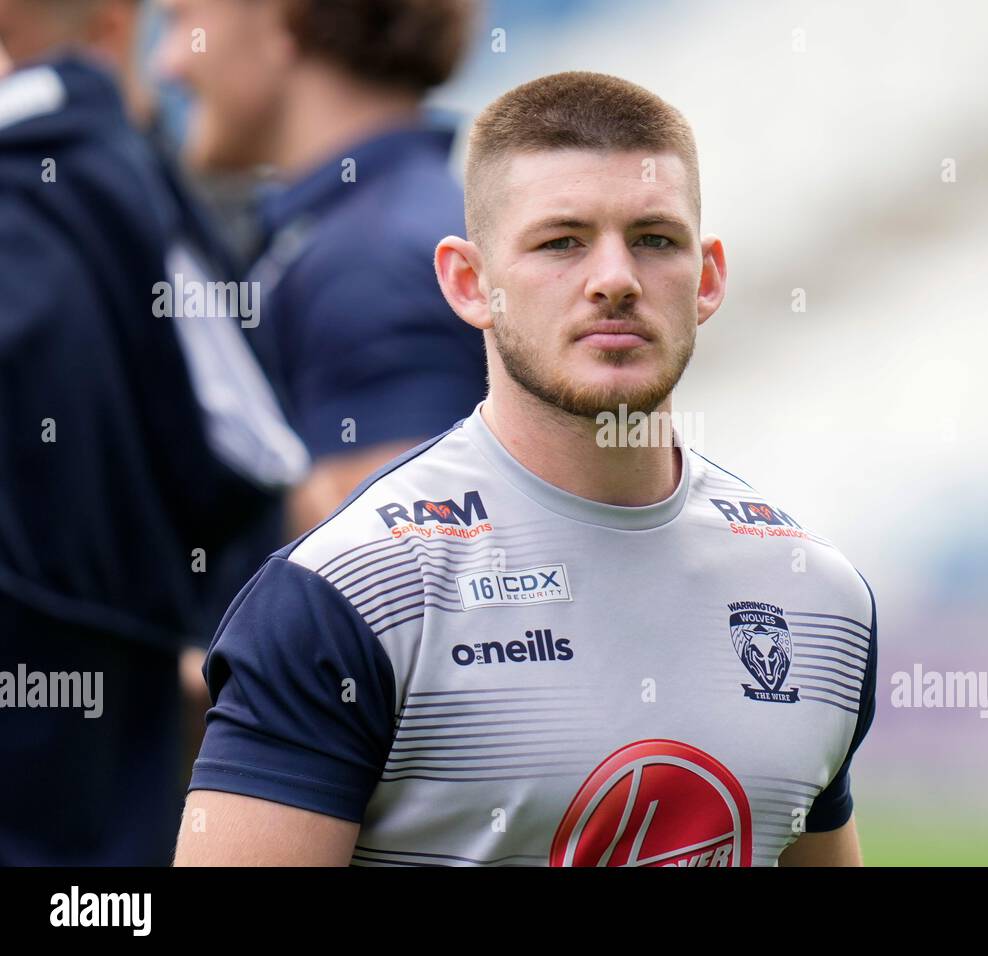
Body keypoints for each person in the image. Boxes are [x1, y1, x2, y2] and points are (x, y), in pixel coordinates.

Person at [174, 71, 879, 867]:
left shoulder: (817, 597)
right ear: (469, 284)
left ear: (708, 276)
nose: (614, 278)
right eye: (561, 242)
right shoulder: (348, 595)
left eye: (654, 239)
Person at [0, 0, 301, 864]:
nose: (170, 66)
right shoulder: (120, 183)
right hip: (113, 791)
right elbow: (251, 451)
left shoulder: (86, 180)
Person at [154, 0, 489, 535]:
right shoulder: (377, 224)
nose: (168, 64)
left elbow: (400, 563)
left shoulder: (373, 256)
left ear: (281, 20)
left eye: (181, 19)